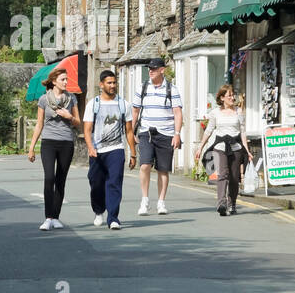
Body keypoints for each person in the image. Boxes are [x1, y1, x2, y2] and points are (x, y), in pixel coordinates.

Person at [27, 65, 80, 230]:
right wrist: (31, 147)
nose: (66, 82)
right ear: (54, 81)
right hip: (48, 142)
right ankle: (48, 217)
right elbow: (39, 124)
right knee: (49, 178)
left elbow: (79, 122)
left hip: (66, 143)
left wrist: (69, 116)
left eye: (66, 79)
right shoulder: (44, 100)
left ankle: (56, 217)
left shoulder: (71, 99)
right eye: (63, 79)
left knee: (60, 180)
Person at [83, 69, 135, 230]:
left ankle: (113, 217)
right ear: (101, 84)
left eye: (114, 83)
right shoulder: (94, 104)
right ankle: (99, 211)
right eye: (109, 83)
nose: (113, 86)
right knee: (96, 183)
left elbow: (129, 131)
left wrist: (132, 153)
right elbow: (87, 129)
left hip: (116, 149)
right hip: (97, 150)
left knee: (114, 183)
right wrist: (90, 147)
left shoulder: (123, 104)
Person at [133, 57, 183, 215]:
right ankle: (145, 200)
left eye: (154, 69)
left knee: (163, 170)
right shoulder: (142, 88)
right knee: (145, 165)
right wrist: (132, 131)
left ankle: (161, 202)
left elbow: (177, 113)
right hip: (146, 131)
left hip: (166, 133)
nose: (151, 71)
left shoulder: (171, 89)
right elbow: (135, 111)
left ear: (162, 70)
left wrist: (177, 134)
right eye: (149, 68)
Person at [197, 84, 253, 216]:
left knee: (234, 177)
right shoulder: (215, 113)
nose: (232, 97)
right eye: (229, 95)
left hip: (236, 147)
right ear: (222, 98)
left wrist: (247, 150)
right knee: (223, 174)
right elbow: (209, 131)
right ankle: (221, 203)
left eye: (233, 95)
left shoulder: (239, 112)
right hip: (220, 147)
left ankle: (232, 203)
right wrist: (200, 147)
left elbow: (243, 132)